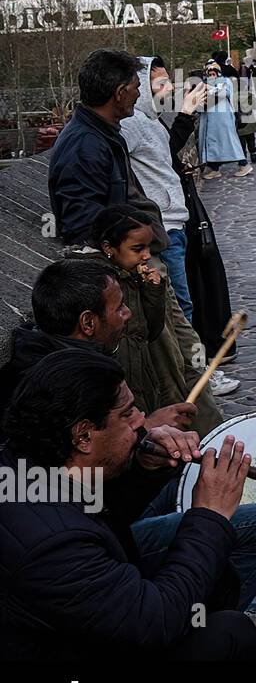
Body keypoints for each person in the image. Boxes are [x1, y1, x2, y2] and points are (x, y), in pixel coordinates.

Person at [0, 348, 256, 660]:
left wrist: (144, 470)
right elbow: (156, 622)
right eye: (126, 414)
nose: (141, 420)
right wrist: (210, 514)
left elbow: (97, 513)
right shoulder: (52, 545)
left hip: (78, 609)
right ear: (83, 436)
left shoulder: (31, 464)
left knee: (219, 577)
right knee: (231, 633)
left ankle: (201, 614)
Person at [0, 258, 198, 430]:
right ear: (88, 323)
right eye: (119, 307)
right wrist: (146, 427)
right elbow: (78, 463)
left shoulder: (57, 352)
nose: (128, 313)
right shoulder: (59, 385)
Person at [89, 205, 225, 435]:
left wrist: (154, 292)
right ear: (108, 248)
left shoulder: (150, 273)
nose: (146, 256)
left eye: (149, 248)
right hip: (136, 382)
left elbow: (163, 325)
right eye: (137, 249)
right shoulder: (99, 285)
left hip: (167, 367)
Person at [47, 49, 169, 250]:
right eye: (136, 88)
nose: (139, 95)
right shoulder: (85, 145)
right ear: (120, 93)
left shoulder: (103, 133)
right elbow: (81, 226)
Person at [120, 57, 205, 324]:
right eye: (162, 83)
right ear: (143, 87)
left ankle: (190, 364)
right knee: (179, 305)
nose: (169, 88)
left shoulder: (153, 120)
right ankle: (190, 365)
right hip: (161, 225)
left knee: (181, 303)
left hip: (173, 222)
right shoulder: (131, 123)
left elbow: (164, 156)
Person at [198, 59, 251, 179]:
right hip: (212, 119)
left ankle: (243, 164)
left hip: (223, 118)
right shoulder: (207, 84)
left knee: (230, 141)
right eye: (209, 74)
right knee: (213, 142)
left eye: (213, 74)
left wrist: (210, 89)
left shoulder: (224, 82)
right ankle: (215, 168)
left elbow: (224, 93)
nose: (211, 76)